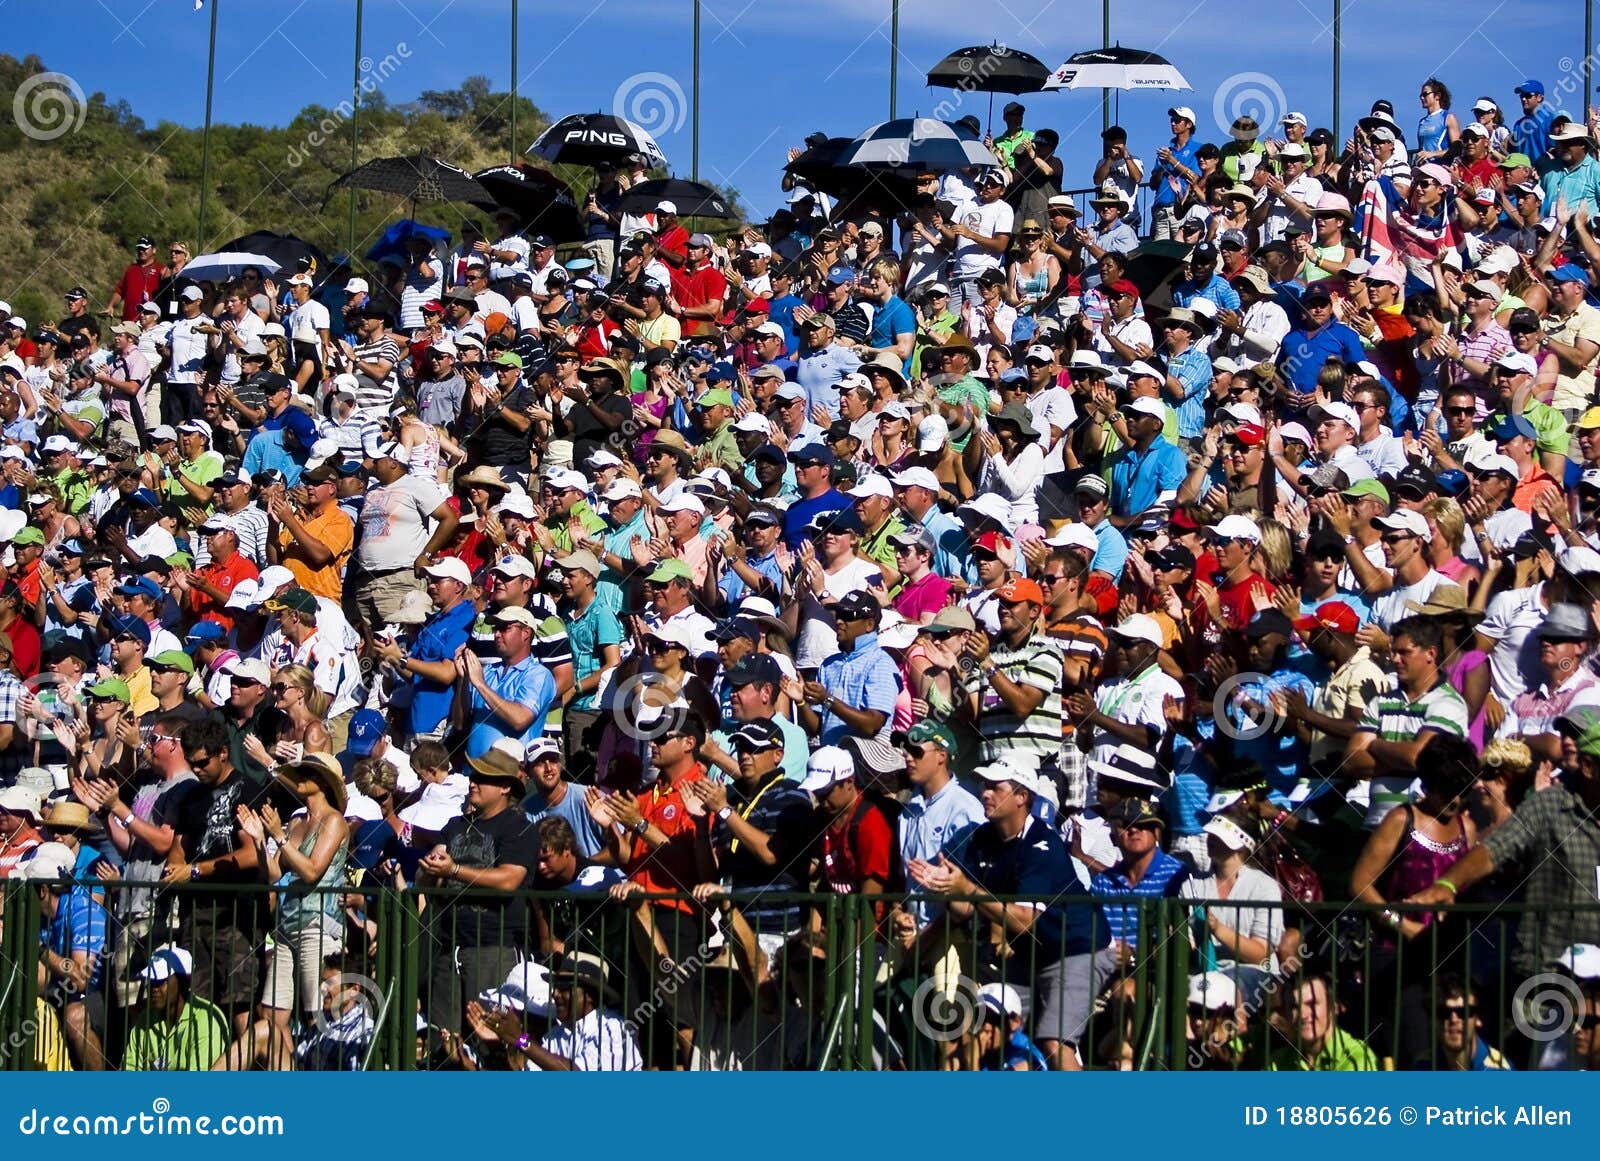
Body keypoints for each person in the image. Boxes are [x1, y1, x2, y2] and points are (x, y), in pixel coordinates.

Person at [416, 742, 539, 1050]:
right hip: (448, 947)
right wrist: (431, 868)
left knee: (491, 1043)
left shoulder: (519, 827)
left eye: (483, 777)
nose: (473, 781)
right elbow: (428, 873)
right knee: (442, 1044)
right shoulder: (455, 825)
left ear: (505, 788)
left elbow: (510, 879)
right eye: (473, 774)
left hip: (493, 950)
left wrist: (454, 870)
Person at [122, 947, 229, 1072]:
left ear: (184, 982)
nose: (153, 987)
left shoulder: (207, 1019)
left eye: (161, 981)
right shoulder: (145, 1019)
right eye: (151, 980)